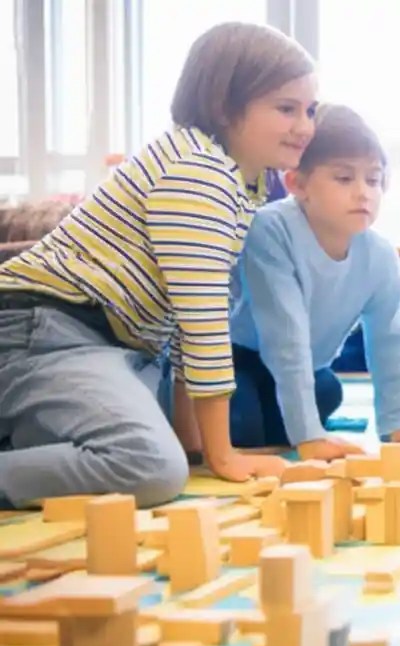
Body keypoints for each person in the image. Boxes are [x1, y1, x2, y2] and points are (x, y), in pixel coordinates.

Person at [0, 22, 316, 508]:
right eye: (286, 108)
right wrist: (223, 456)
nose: (305, 127)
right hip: (49, 329)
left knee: (170, 448)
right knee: (148, 465)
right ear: (225, 107)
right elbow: (203, 320)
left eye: (310, 110)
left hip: (105, 340)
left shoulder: (234, 178)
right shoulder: (198, 172)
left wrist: (200, 447)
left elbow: (187, 325)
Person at [228, 104, 400, 461]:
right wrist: (308, 436)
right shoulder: (270, 229)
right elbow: (284, 337)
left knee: (327, 390)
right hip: (240, 359)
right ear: (298, 183)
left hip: (307, 369)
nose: (363, 192)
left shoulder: (381, 257)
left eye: (373, 179)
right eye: (343, 178)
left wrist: (393, 425)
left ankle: (291, 422)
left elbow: (388, 341)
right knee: (245, 428)